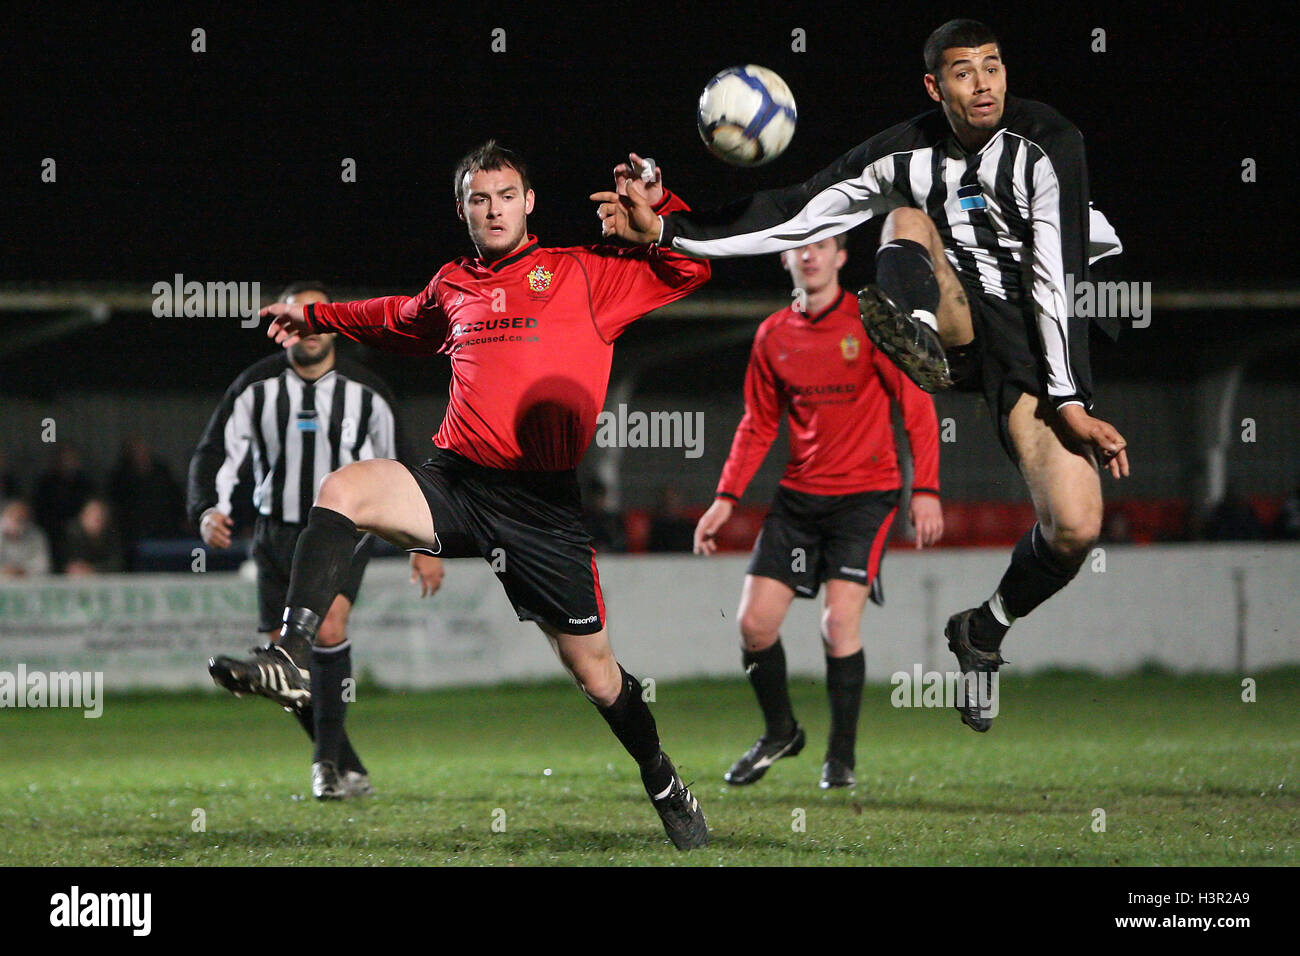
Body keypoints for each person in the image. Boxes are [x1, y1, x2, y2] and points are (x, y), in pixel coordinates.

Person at [595, 19, 1129, 733]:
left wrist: (1064, 396)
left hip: (1039, 331)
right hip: (961, 310)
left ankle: (984, 629)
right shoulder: (905, 151)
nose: (984, 84)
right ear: (935, 87)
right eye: (965, 72)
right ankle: (917, 332)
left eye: (994, 68)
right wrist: (668, 229)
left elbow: (1054, 277)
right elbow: (795, 214)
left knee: (1075, 528)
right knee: (906, 216)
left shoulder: (1050, 144)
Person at [255, 142, 712, 849]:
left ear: (529, 203)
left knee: (595, 677)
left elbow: (693, 267)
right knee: (345, 487)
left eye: (505, 195)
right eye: (478, 198)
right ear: (463, 209)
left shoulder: (585, 272)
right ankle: (289, 653)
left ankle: (661, 777)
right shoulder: (453, 284)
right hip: (456, 482)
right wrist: (317, 318)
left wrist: (661, 210)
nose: (492, 209)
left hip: (542, 509)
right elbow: (397, 319)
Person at [694, 236, 942, 789]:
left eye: (822, 245)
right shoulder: (772, 336)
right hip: (799, 499)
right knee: (754, 626)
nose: (809, 254)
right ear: (784, 258)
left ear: (840, 257)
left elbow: (917, 406)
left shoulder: (873, 322)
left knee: (837, 623)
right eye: (799, 246)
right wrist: (724, 499)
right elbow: (758, 423)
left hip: (866, 496)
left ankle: (841, 756)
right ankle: (780, 731)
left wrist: (925, 489)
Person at [189, 281, 445, 799]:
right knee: (280, 662)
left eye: (316, 313)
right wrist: (207, 511)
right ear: (281, 327)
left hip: (342, 533)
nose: (307, 325)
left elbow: (402, 466)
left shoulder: (367, 391)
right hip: (274, 532)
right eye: (297, 314)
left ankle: (325, 765)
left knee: (327, 630)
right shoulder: (254, 386)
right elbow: (215, 453)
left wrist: (422, 543)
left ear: (332, 322)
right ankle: (343, 763)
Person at [63, 497, 124, 575]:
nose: (96, 522)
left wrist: (93, 570)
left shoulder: (111, 536)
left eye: (99, 518)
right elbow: (68, 565)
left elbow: (117, 564)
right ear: (83, 516)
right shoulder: (72, 536)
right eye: (92, 516)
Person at [0, 499, 50, 577]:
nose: (14, 523)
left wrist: (20, 571)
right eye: (11, 516)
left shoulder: (36, 536)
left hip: (28, 584)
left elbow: (43, 567)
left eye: (20, 519)